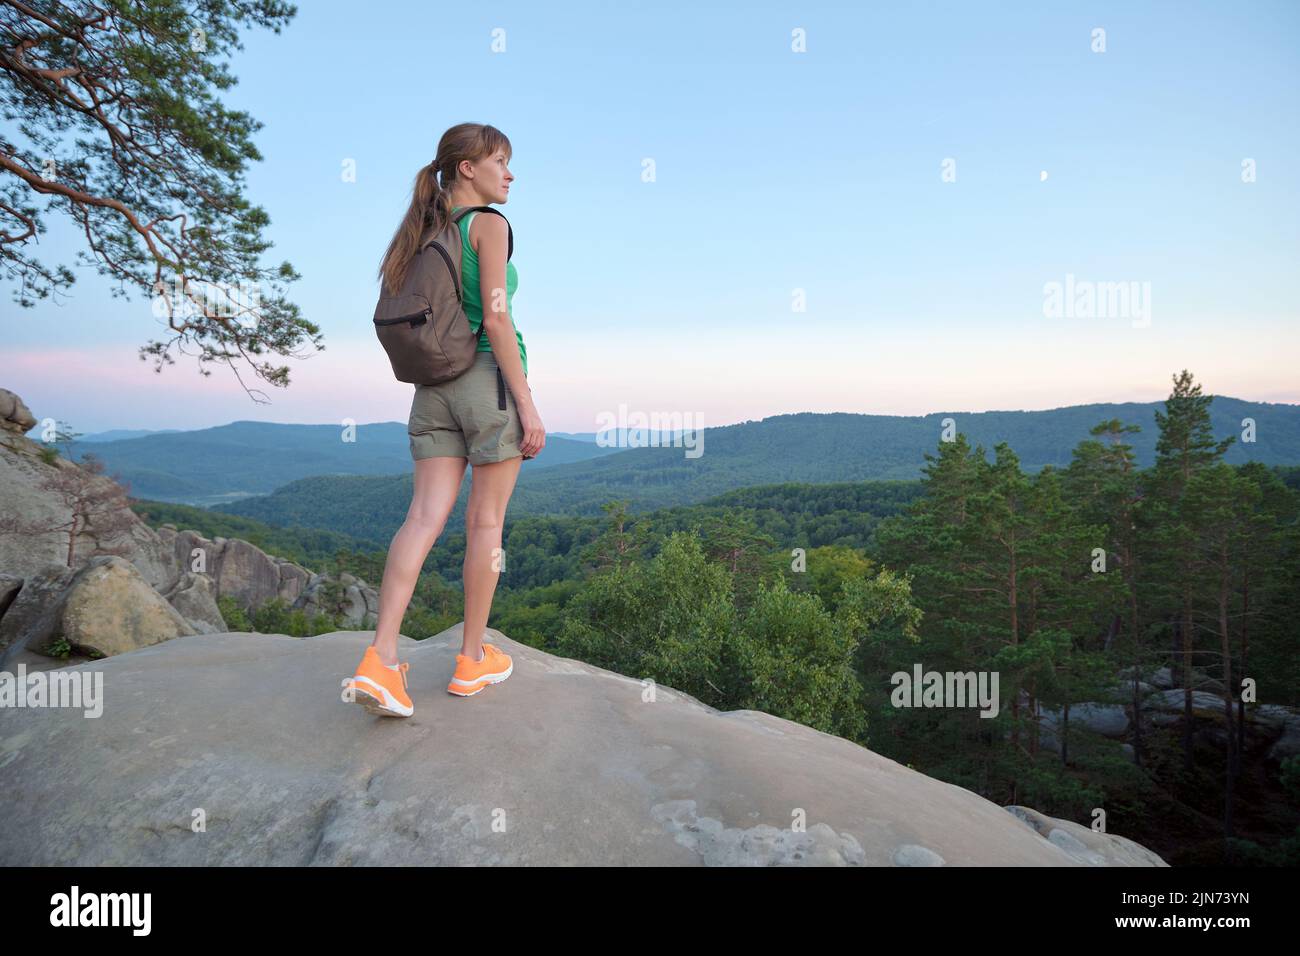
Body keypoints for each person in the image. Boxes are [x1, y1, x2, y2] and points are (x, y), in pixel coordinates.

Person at [343, 123, 545, 717]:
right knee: (486, 526)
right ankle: (471, 659)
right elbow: (499, 320)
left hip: (432, 389)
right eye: (501, 161)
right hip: (486, 381)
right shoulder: (490, 225)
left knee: (422, 518)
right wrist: (526, 401)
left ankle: (380, 657)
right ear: (466, 168)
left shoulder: (422, 232)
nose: (509, 174)